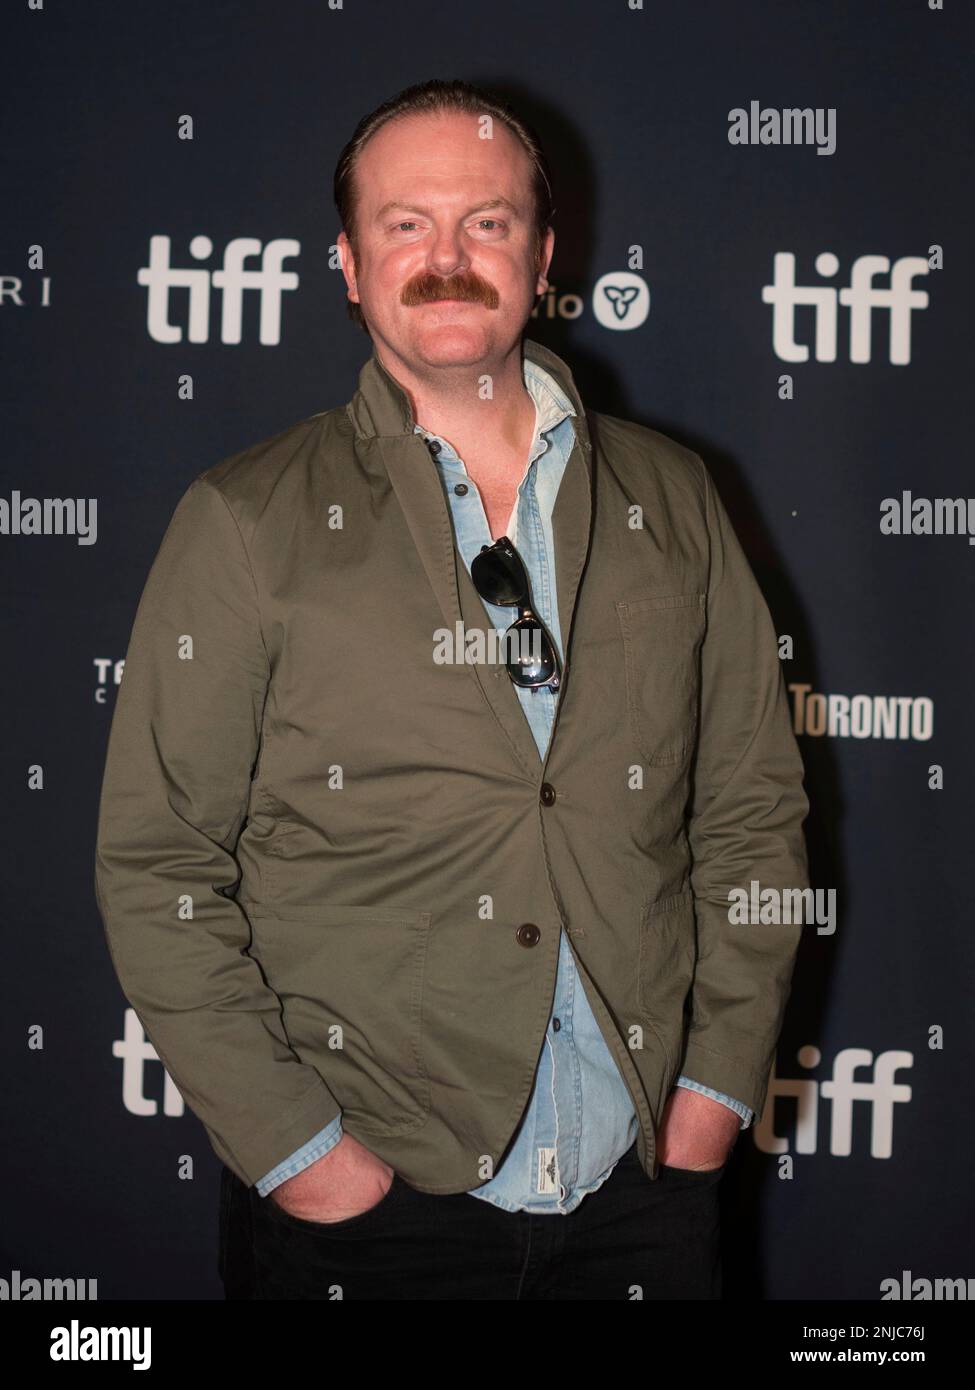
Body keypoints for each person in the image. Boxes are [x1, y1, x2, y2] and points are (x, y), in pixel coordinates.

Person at [94, 78, 810, 1300]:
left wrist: (712, 1104)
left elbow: (752, 811)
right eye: (404, 224)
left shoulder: (677, 497)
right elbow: (158, 865)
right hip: (370, 1216)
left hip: (640, 1190)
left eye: (485, 222)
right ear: (349, 264)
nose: (446, 259)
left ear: (543, 255)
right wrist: (305, 1160)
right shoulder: (246, 521)